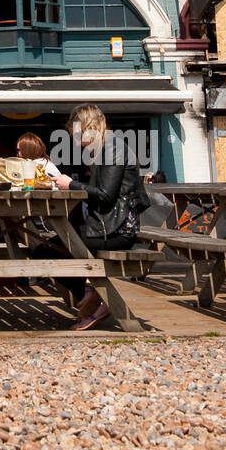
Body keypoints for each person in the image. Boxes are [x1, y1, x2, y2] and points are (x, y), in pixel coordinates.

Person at [53, 103, 150, 330]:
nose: (76, 140)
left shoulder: (113, 149)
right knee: (50, 246)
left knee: (52, 248)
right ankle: (93, 292)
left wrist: (71, 185)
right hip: (106, 226)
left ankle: (97, 295)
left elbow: (105, 196)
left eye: (78, 134)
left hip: (118, 230)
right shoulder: (105, 149)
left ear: (90, 127)